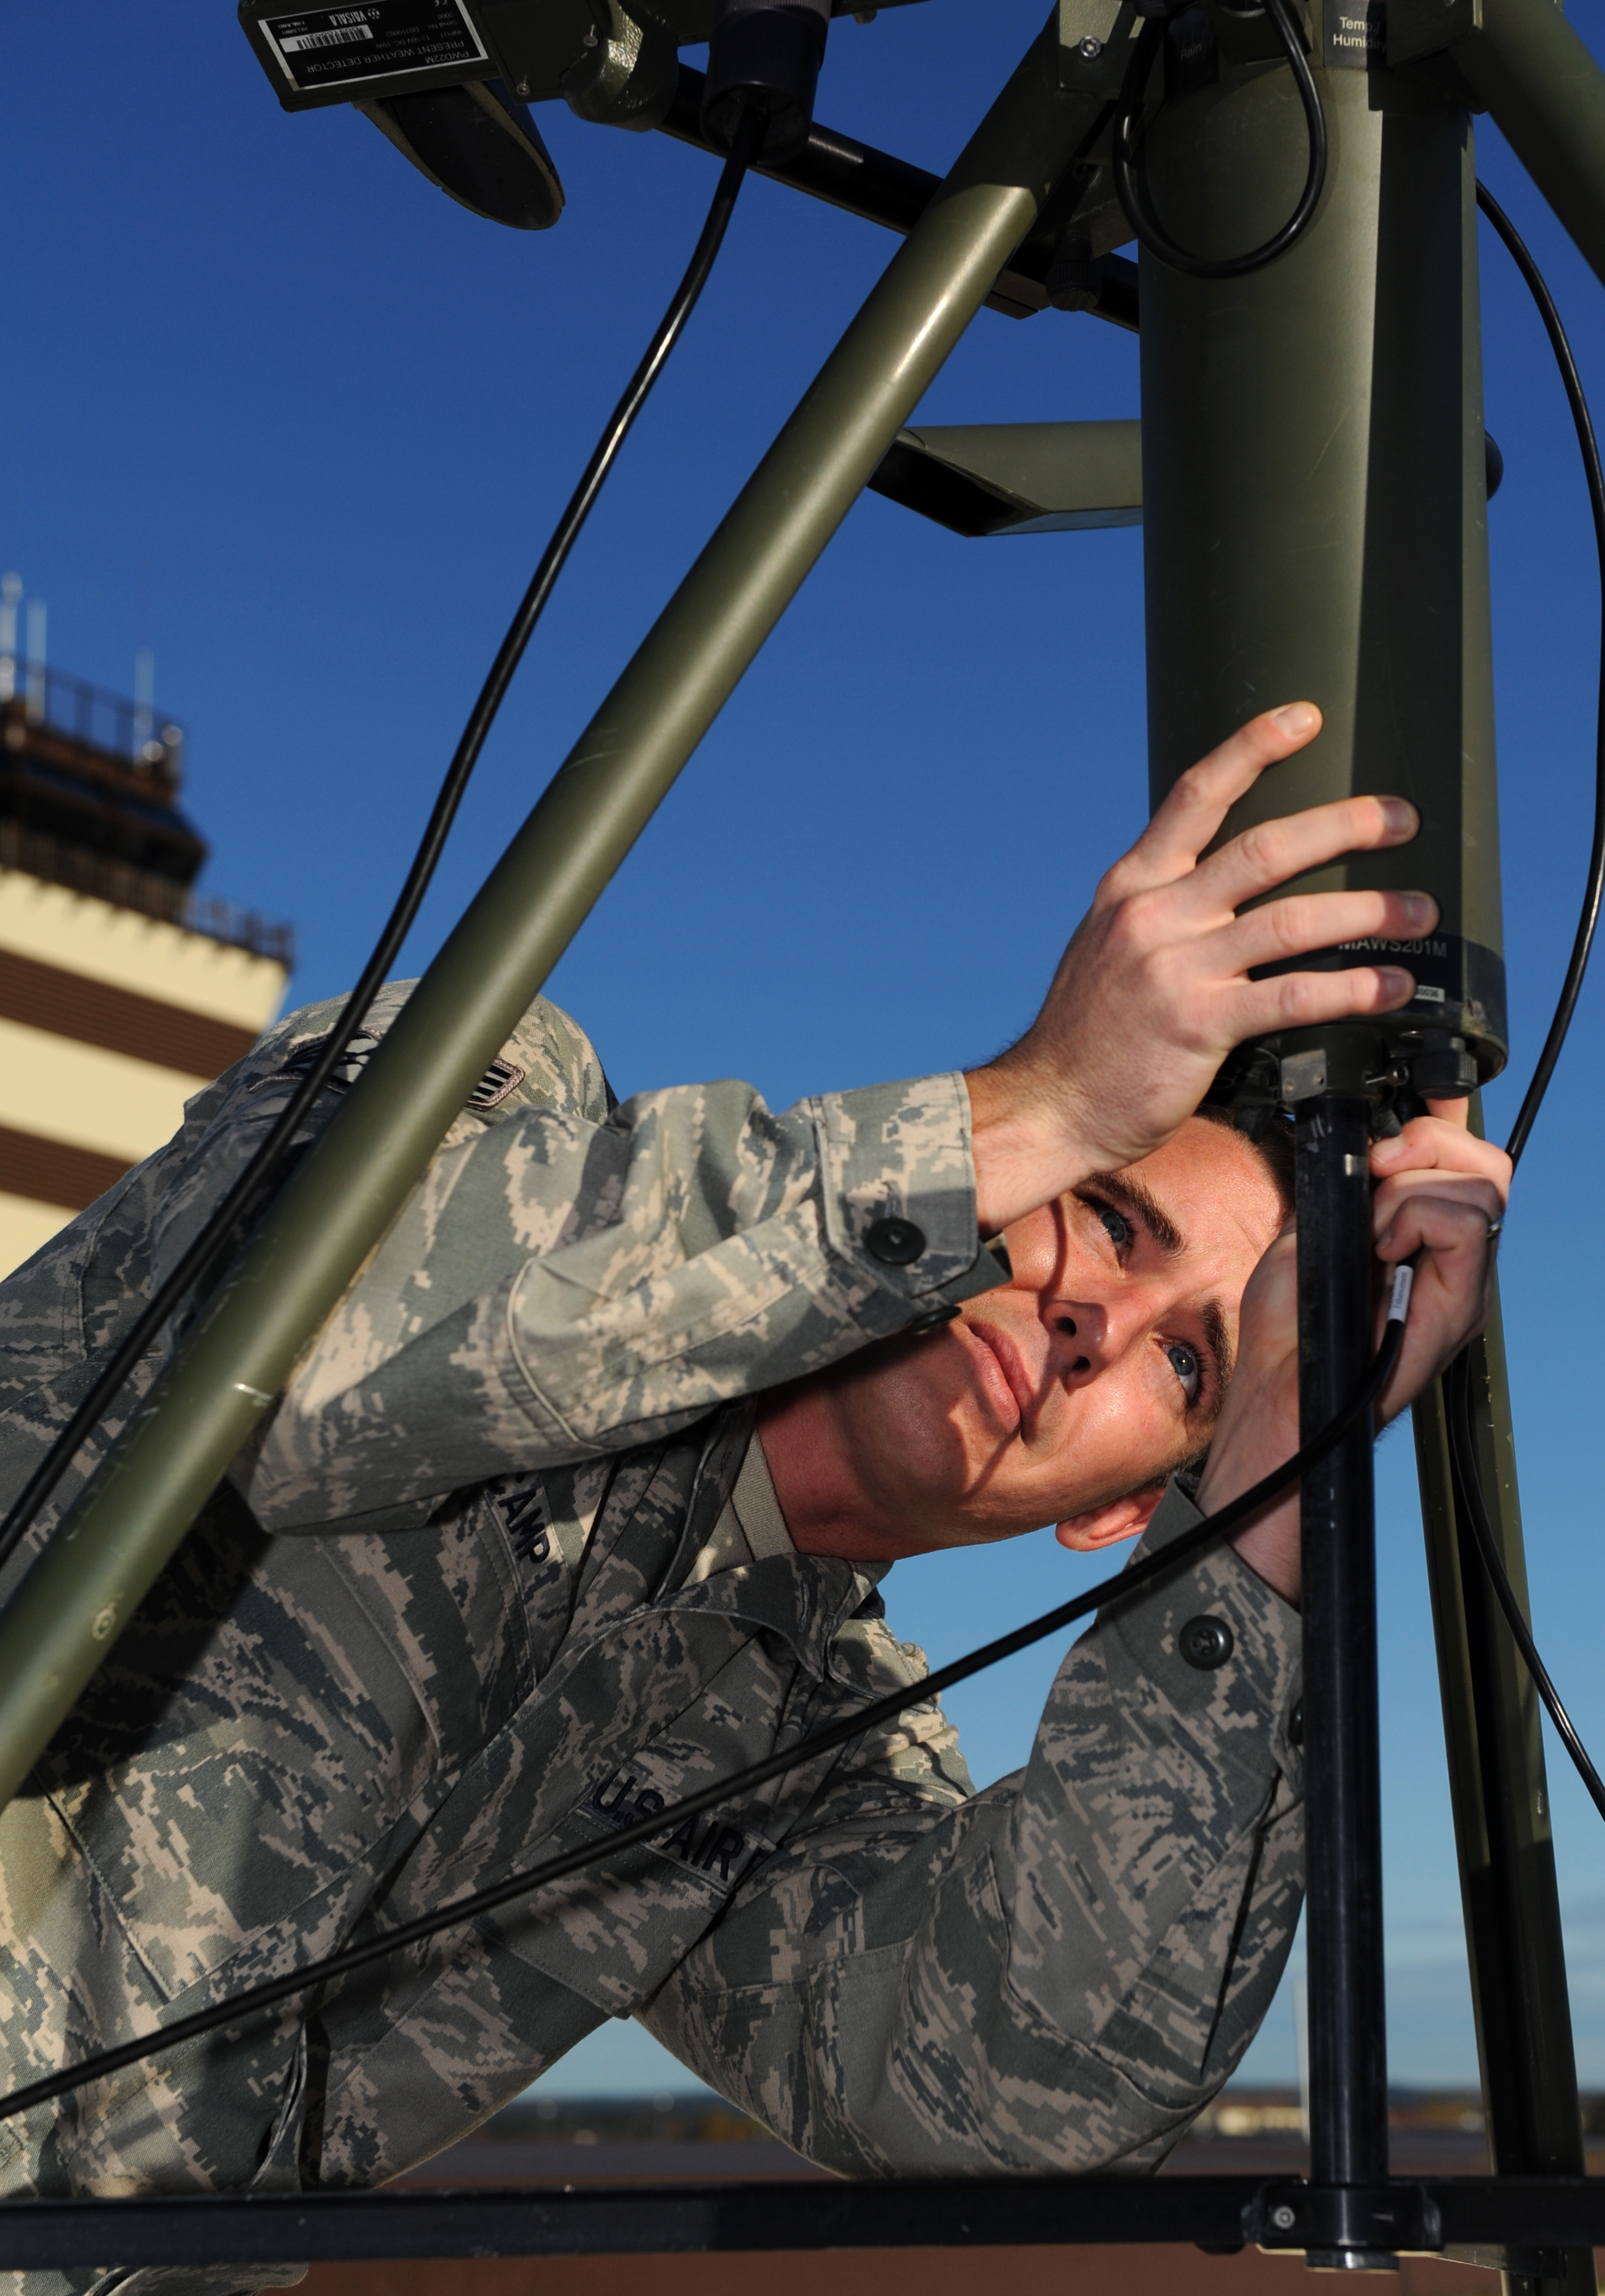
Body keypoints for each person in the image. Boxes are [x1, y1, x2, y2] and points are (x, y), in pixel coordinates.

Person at [0, 705, 1505, 2295]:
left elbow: (1014, 2093)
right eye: (1111, 1216)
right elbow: (289, 1350)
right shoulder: (501, 1095)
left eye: (1189, 1367)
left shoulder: (787, 1751)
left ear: (1117, 1516)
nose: (1098, 1321)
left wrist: (1263, 1508)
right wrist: (1046, 1100)